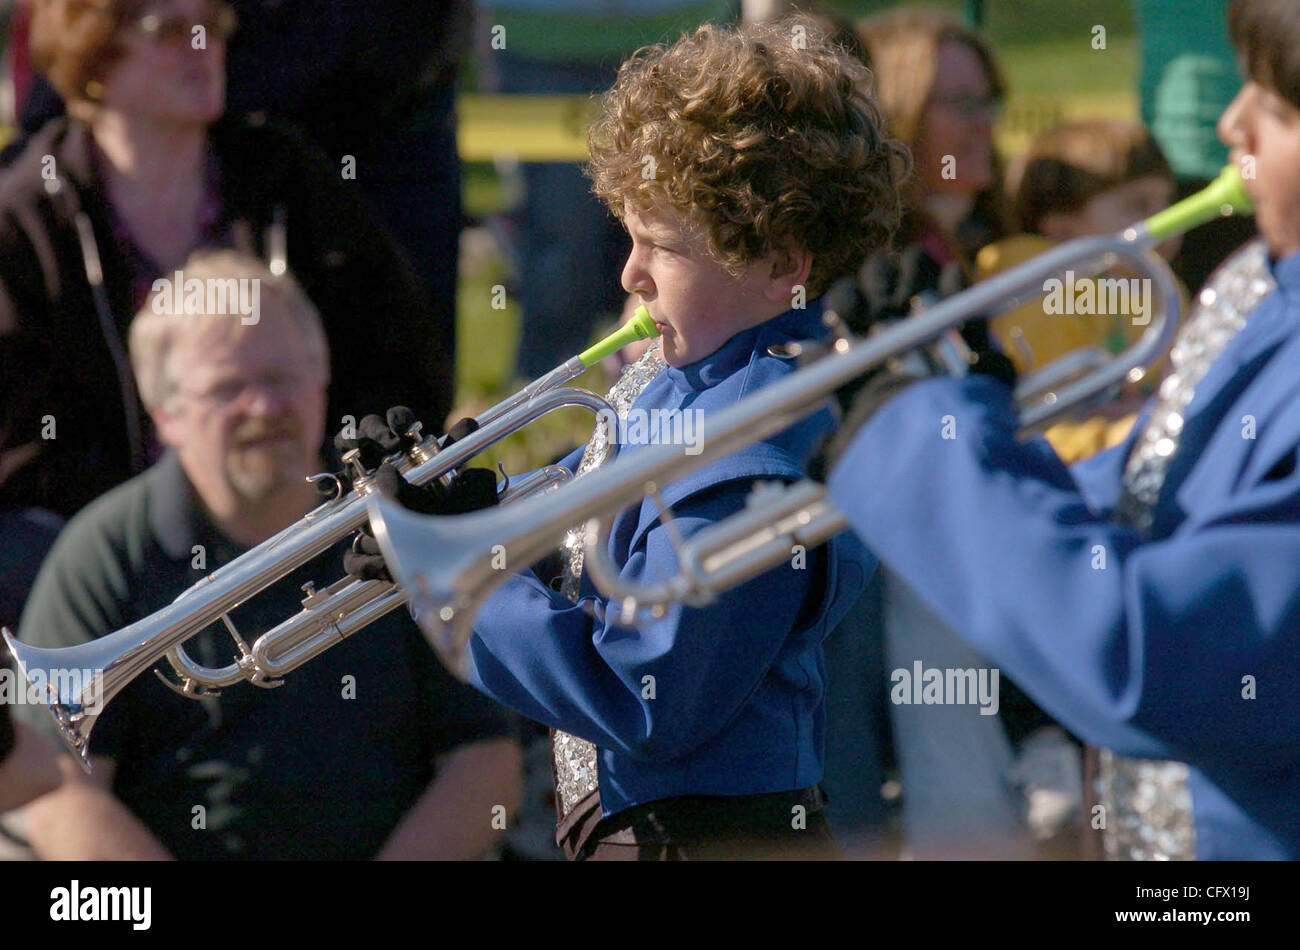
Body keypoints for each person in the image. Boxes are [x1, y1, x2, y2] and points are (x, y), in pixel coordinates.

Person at [350, 17, 903, 860]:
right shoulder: (680, 385)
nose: (629, 275)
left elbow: (640, 692)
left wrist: (461, 574)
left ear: (781, 264)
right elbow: (579, 552)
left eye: (661, 248)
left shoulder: (762, 448)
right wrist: (465, 511)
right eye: (628, 236)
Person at [817, 0, 1300, 860]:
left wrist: (912, 438)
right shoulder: (1260, 297)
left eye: (1272, 103)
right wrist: (975, 430)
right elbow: (1140, 495)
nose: (1230, 121)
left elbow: (1147, 659)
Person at [12, 250, 521, 860]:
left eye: (281, 378)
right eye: (228, 388)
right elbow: (59, 795)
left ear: (321, 376)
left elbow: (486, 759)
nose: (263, 407)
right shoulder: (105, 551)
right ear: (165, 414)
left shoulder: (402, 526)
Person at [0, 0, 448, 524]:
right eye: (168, 31)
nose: (202, 47)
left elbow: (402, 368)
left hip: (301, 528)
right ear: (93, 57)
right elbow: (19, 452)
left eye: (212, 26)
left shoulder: (285, 177)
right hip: (108, 555)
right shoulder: (26, 221)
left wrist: (323, 482)